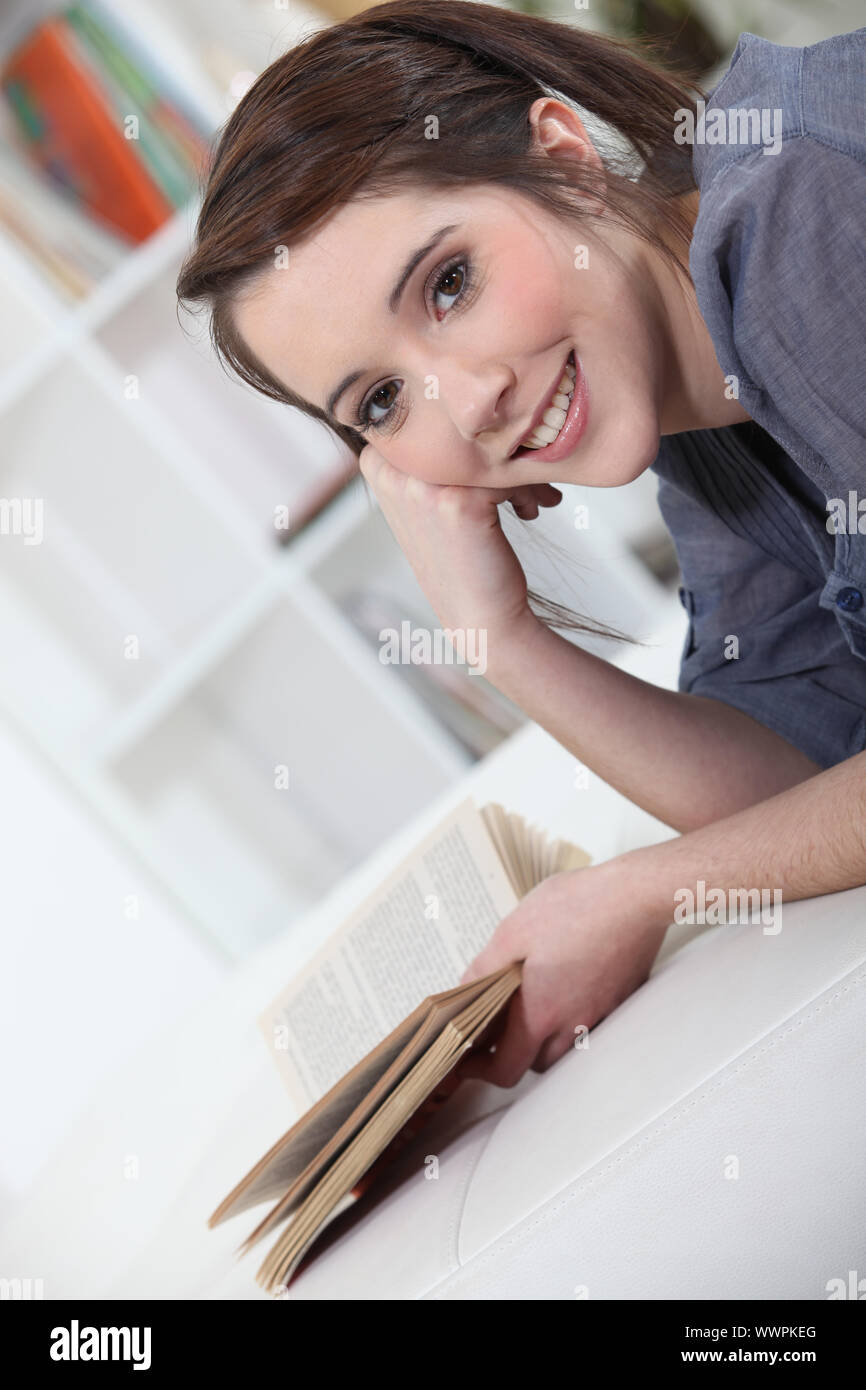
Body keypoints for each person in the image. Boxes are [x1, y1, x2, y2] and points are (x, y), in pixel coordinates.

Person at [177, 1, 866, 1087]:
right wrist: (495, 633)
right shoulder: (700, 413)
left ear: (563, 157)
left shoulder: (795, 203)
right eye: (384, 399)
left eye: (449, 284)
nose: (472, 400)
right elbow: (803, 781)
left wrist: (648, 888)